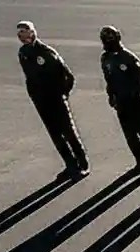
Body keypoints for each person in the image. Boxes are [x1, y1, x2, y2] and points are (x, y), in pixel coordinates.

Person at [17, 21, 88, 178]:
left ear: (33, 32)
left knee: (68, 132)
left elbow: (68, 76)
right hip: (41, 101)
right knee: (55, 134)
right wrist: (33, 94)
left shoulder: (46, 52)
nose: (22, 36)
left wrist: (62, 94)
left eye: (25, 32)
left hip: (55, 99)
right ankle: (70, 165)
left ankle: (82, 164)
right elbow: (29, 77)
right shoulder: (23, 53)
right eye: (20, 33)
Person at [100, 25, 140, 172]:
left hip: (135, 102)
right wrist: (111, 96)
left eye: (111, 38)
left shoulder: (128, 57)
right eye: (105, 39)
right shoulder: (105, 58)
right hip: (121, 102)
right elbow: (109, 80)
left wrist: (139, 96)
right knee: (130, 135)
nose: (108, 42)